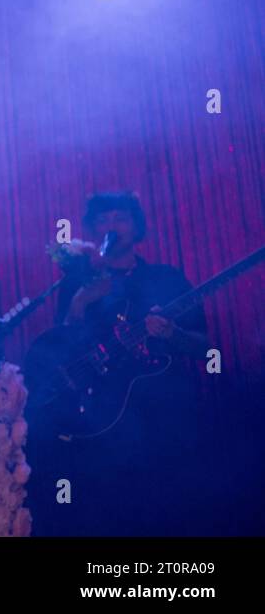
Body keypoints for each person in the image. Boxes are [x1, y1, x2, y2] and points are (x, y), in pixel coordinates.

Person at [30, 190, 211, 535]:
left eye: (120, 217)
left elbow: (205, 347)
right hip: (101, 420)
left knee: (174, 512)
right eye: (103, 220)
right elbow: (59, 351)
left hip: (164, 416)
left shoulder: (166, 278)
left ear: (137, 226)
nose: (111, 225)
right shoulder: (78, 284)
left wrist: (172, 334)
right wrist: (80, 304)